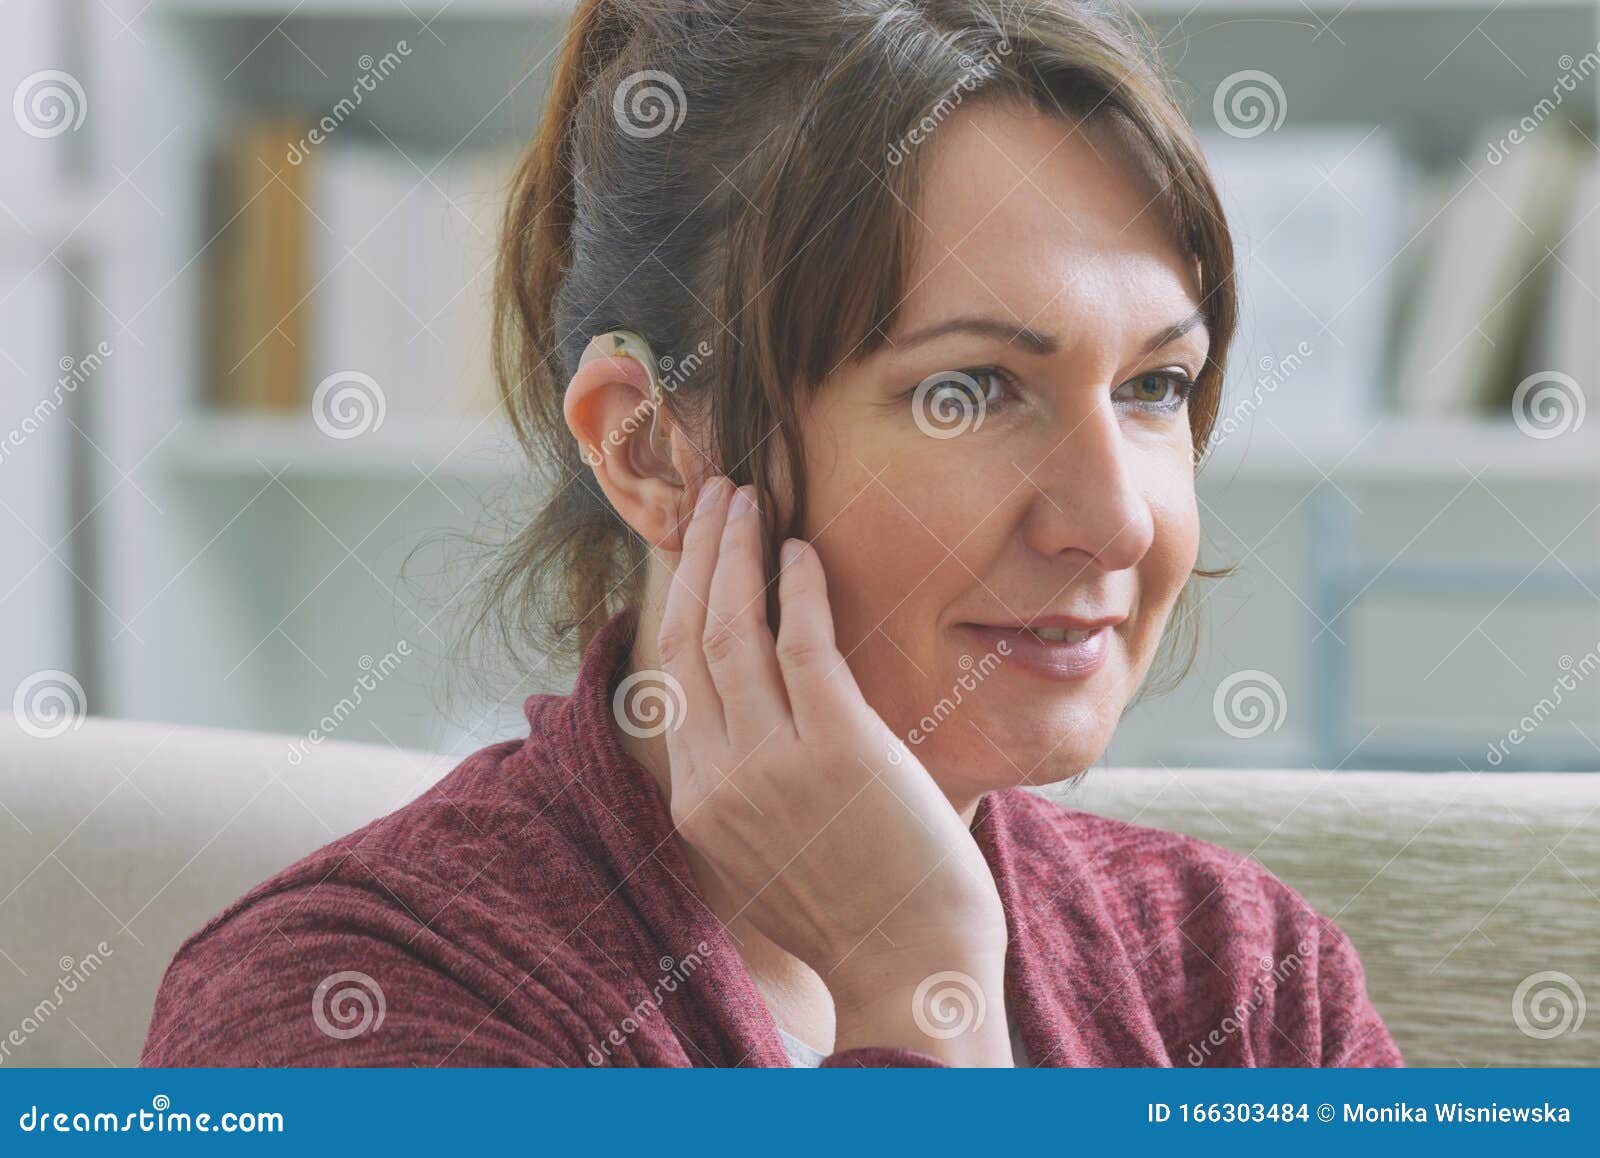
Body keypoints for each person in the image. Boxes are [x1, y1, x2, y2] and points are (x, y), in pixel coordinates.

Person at [142, 0, 1401, 1067]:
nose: (1118, 521)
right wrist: (920, 1000)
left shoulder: (1237, 981)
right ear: (649, 450)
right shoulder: (345, 1014)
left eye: (1154, 387)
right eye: (969, 391)